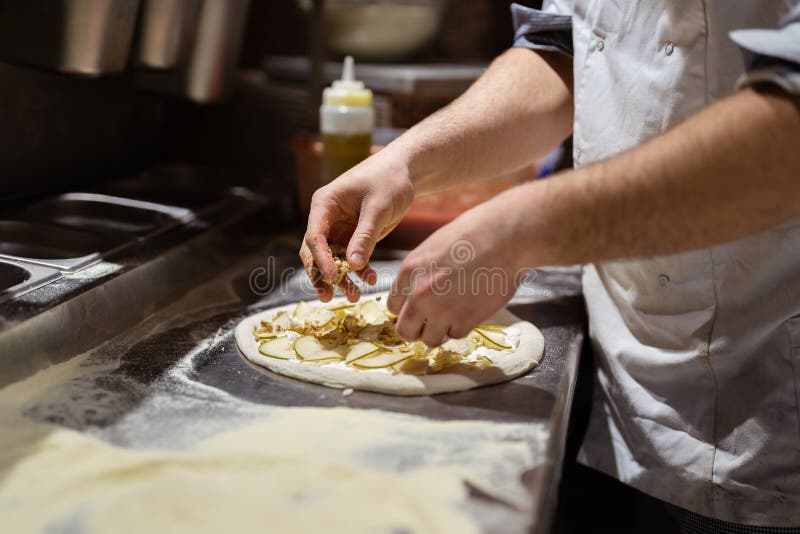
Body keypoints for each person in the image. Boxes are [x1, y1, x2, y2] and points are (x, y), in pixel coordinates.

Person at [300, 1, 800, 531]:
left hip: (766, 404)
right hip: (621, 389)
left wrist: (519, 230)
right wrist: (403, 162)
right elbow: (562, 54)